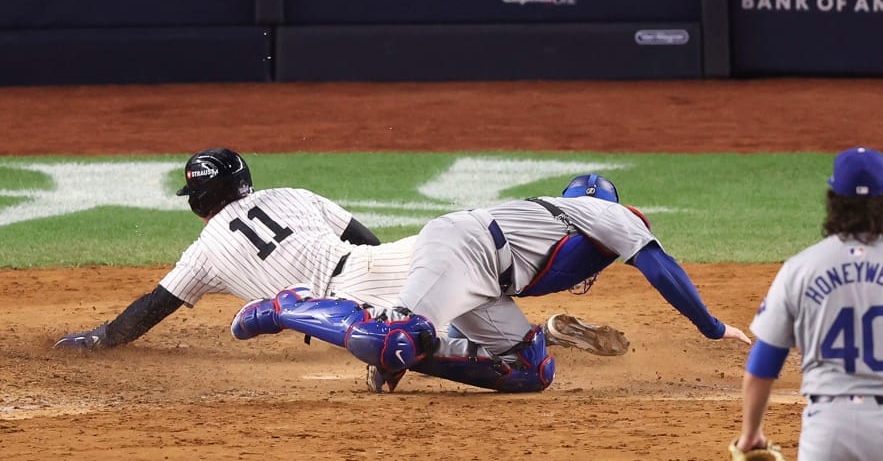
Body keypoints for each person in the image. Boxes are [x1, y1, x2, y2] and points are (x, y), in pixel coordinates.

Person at [53, 147, 608, 356]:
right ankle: (542, 328)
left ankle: (528, 340)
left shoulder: (204, 252)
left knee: (411, 346)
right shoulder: (289, 194)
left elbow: (152, 308)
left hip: (351, 292)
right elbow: (362, 237)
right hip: (386, 257)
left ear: (198, 198)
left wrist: (101, 338)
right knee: (461, 290)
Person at [232, 172, 751, 393]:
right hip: (465, 247)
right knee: (392, 341)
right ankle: (286, 307)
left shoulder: (569, 219)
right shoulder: (611, 214)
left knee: (531, 370)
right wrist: (711, 327)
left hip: (488, 281)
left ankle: (415, 352)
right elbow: (663, 269)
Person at [734, 147, 883, 461]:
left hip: (830, 430)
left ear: (833, 201)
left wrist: (751, 435)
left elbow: (762, 366)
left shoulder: (802, 268)